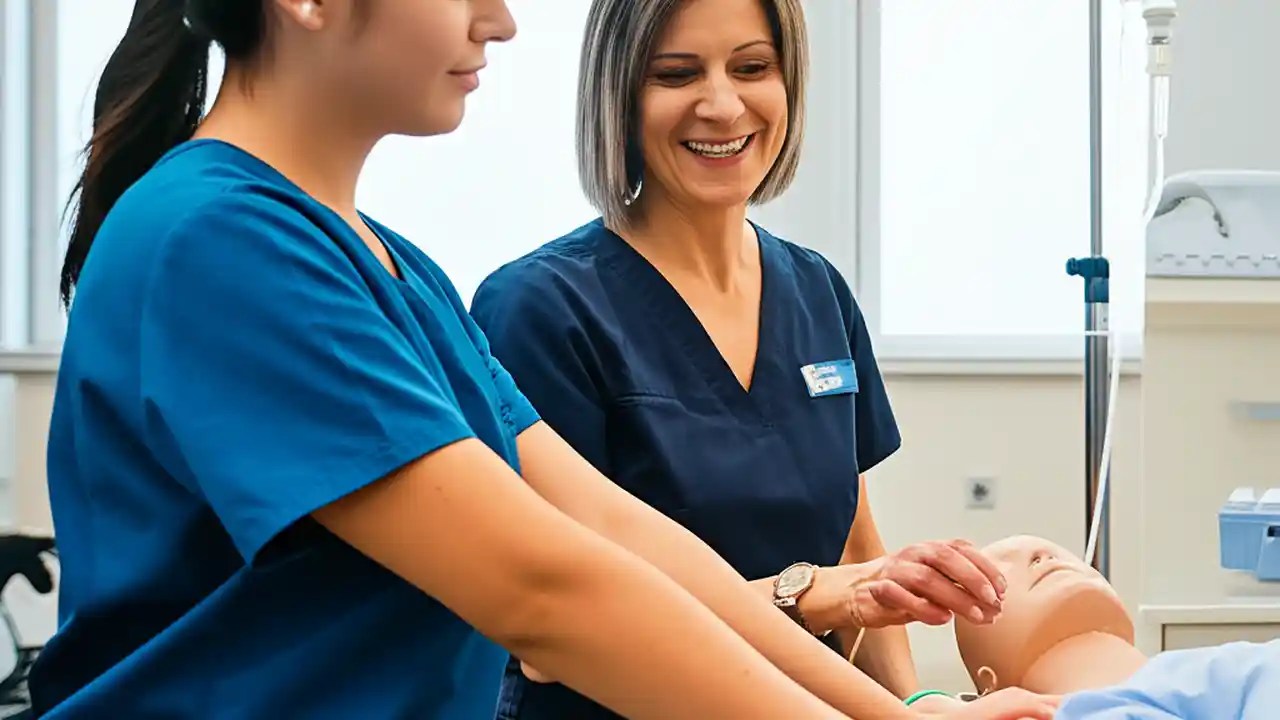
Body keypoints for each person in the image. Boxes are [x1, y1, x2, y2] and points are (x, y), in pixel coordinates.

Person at [23, 1, 1061, 719]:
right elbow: (543, 592)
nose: (501, 21)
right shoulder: (219, 243)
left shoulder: (391, 267)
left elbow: (615, 532)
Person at [469, 0, 1017, 717]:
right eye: (676, 74)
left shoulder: (817, 290)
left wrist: (915, 700)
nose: (723, 106)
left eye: (752, 68)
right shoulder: (539, 309)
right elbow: (561, 625)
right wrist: (814, 594)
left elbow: (856, 544)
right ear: (619, 95)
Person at [948, 534, 1280, 718]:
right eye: (997, 573)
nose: (1044, 556)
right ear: (989, 685)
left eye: (1059, 552)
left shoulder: (1240, 667)